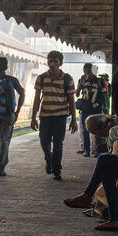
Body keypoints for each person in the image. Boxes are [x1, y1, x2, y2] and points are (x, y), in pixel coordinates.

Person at [64, 116, 118, 231]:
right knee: (106, 171)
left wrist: (112, 132)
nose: (99, 136)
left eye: (97, 133)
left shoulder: (117, 125)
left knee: (103, 160)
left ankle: (87, 196)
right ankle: (115, 220)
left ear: (104, 126)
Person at [31, 50, 78, 181]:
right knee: (44, 141)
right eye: (50, 61)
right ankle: (49, 159)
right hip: (45, 116)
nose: (52, 64)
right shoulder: (41, 78)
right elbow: (36, 99)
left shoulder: (68, 79)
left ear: (61, 63)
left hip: (60, 116)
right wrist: (33, 117)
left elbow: (71, 101)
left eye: (55, 62)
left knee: (58, 143)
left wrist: (74, 120)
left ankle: (57, 170)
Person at [76, 63, 101, 157]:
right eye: (85, 70)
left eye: (88, 70)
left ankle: (97, 150)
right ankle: (87, 150)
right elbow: (77, 94)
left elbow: (102, 94)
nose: (86, 72)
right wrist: (81, 82)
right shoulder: (81, 80)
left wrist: (105, 108)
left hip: (96, 108)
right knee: (85, 130)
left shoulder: (98, 80)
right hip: (85, 108)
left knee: (97, 129)